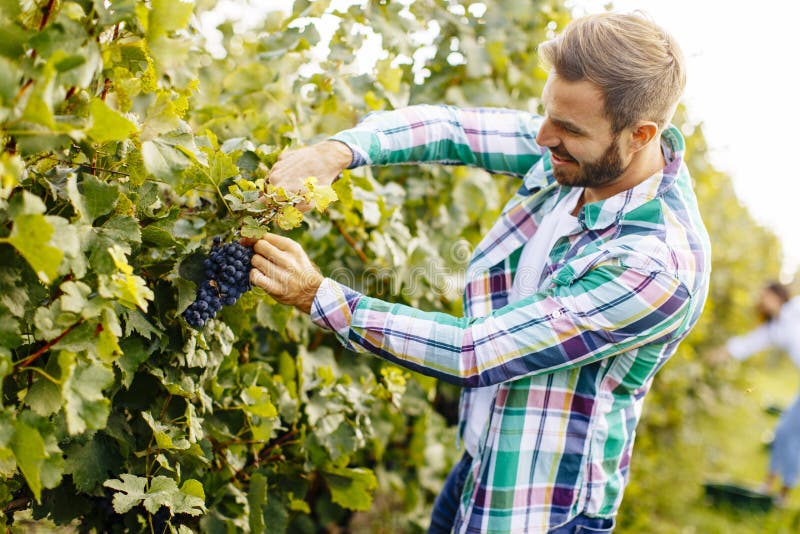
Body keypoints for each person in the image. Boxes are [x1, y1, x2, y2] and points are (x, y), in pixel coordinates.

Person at [247, 12, 711, 534]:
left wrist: (317, 295)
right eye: (547, 114)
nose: (542, 137)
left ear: (641, 134)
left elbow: (473, 352)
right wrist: (337, 151)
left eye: (567, 129)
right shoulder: (583, 159)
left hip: (539, 510)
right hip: (481, 465)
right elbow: (450, 129)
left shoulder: (655, 266)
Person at [715, 282, 800, 507]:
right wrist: (718, 355)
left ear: (777, 295)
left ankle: (780, 494)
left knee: (788, 435)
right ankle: (770, 488)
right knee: (784, 433)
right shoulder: (775, 328)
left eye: (765, 296)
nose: (762, 301)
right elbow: (747, 344)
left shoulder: (796, 308)